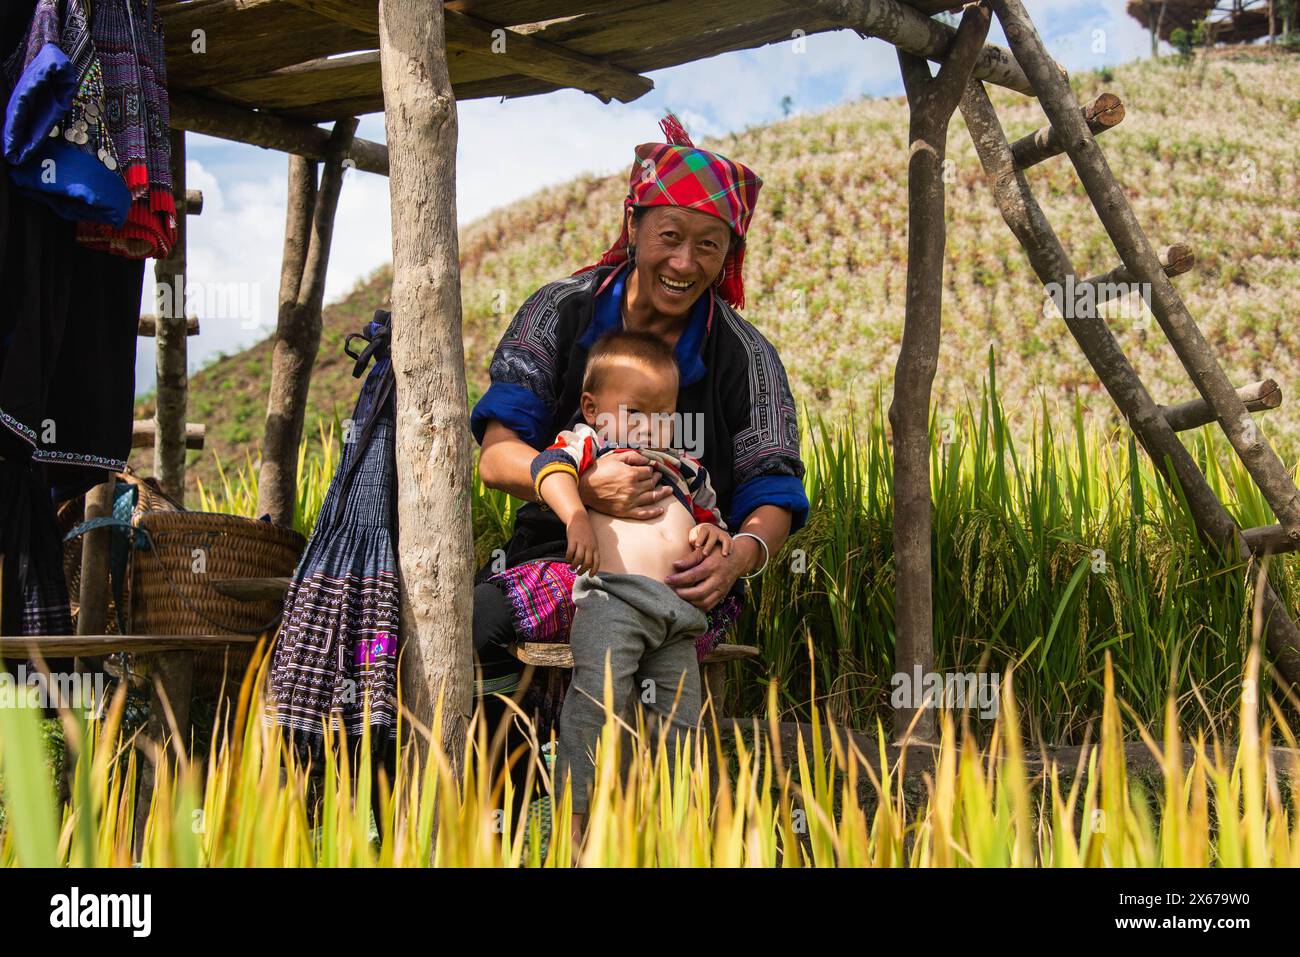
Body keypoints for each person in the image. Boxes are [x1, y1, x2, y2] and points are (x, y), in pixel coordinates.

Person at [469, 111, 809, 843]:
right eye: (670, 237)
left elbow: (772, 491)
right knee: (478, 626)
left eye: (708, 245)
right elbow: (497, 451)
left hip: (682, 590)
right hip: (561, 559)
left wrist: (740, 555)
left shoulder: (744, 357)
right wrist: (580, 494)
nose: (685, 261)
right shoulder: (561, 313)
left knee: (658, 710)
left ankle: (660, 835)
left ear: (728, 256)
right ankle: (506, 813)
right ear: (635, 226)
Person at [531, 329, 739, 822]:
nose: (652, 428)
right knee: (597, 703)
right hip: (613, 601)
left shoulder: (686, 469)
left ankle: (674, 824)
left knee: (680, 722)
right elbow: (549, 468)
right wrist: (576, 514)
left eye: (665, 415)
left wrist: (718, 539)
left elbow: (711, 519)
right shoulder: (591, 445)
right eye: (637, 412)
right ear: (591, 407)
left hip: (678, 616)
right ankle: (576, 823)